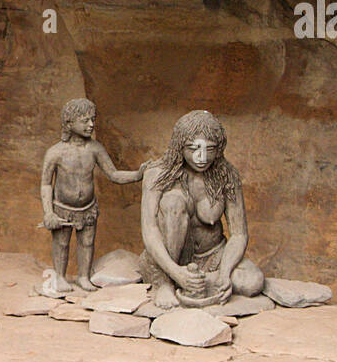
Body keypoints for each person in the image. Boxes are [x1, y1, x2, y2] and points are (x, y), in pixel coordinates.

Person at [138, 109, 264, 309]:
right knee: (174, 203)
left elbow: (239, 234)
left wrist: (224, 274)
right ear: (180, 145)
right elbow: (149, 229)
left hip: (213, 257)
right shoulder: (157, 174)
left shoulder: (227, 175)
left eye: (210, 149)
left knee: (253, 282)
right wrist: (175, 272)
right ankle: (164, 282)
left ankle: (204, 281)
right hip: (168, 260)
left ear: (219, 148)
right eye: (193, 148)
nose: (202, 157)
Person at [40, 98, 146, 293]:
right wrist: (48, 212)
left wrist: (137, 175)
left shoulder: (95, 148)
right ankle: (60, 277)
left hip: (88, 207)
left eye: (92, 119)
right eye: (85, 121)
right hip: (63, 207)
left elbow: (113, 174)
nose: (91, 125)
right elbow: (46, 184)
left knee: (87, 243)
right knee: (61, 243)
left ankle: (83, 277)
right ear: (69, 123)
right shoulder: (55, 152)